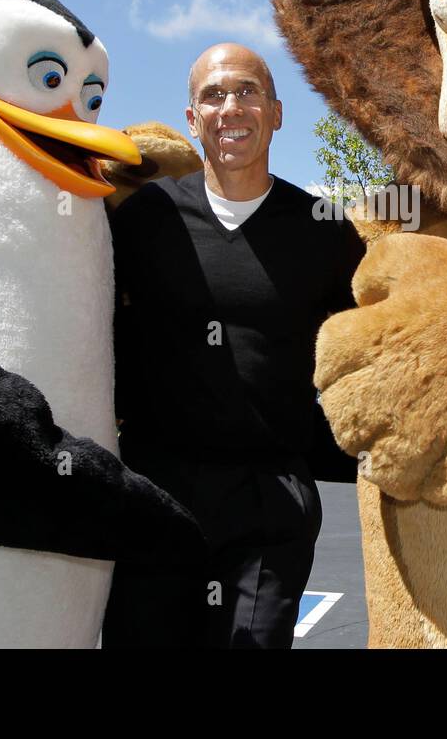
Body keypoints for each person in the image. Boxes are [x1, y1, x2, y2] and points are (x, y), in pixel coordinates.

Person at [102, 42, 365, 648]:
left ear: (276, 112)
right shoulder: (145, 220)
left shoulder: (324, 230)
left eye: (247, 91)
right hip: (155, 490)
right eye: (213, 96)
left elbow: (362, 351)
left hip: (269, 502)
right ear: (193, 120)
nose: (231, 107)